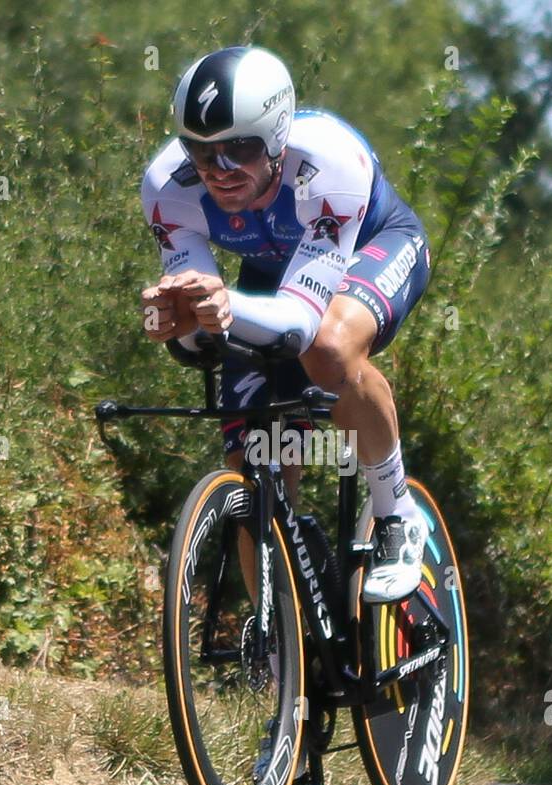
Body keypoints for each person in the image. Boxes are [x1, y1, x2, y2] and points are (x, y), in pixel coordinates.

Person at [139, 45, 432, 603]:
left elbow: (298, 325)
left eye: (238, 150)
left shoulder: (329, 163)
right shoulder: (167, 187)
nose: (218, 171)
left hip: (373, 246)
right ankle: (282, 659)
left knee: (328, 349)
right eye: (200, 152)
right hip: (275, 273)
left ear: (276, 138)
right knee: (254, 461)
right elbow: (203, 315)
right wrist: (178, 320)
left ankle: (396, 512)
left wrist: (220, 306)